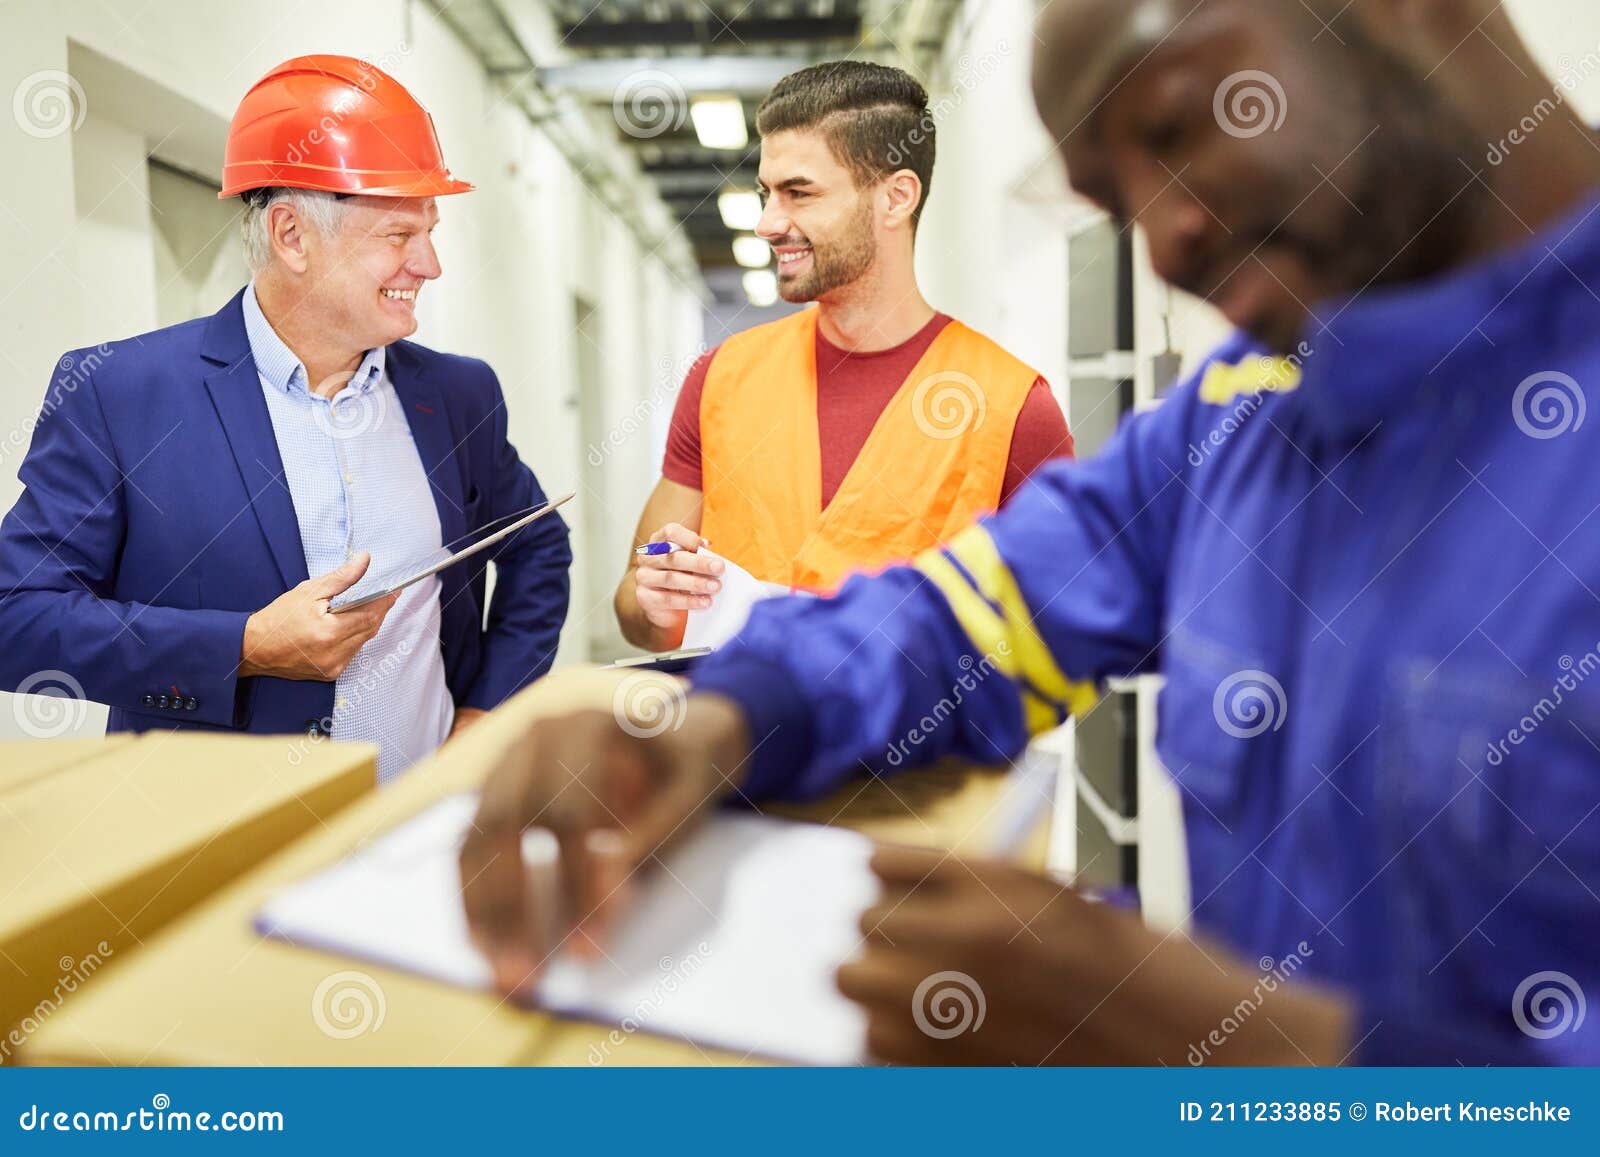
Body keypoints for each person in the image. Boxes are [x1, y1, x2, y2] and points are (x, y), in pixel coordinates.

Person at [460, 0, 1600, 1065]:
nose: (1163, 243)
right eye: (1114, 202)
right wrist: (725, 717)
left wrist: (1208, 1036)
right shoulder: (1240, 422)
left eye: (1181, 124)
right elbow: (965, 617)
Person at [0, 55, 571, 781]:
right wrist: (244, 643)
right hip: (217, 847)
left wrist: (489, 709)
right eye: (398, 235)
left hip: (423, 828)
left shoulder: (457, 395)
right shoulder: (120, 395)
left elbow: (537, 544)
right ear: (292, 235)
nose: (429, 264)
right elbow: (13, 614)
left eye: (431, 230)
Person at [615, 61, 1073, 653]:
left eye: (798, 193)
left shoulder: (1013, 407)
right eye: (766, 194)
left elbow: (1066, 630)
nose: (767, 223)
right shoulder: (721, 379)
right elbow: (637, 600)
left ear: (895, 198)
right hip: (743, 743)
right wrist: (654, 594)